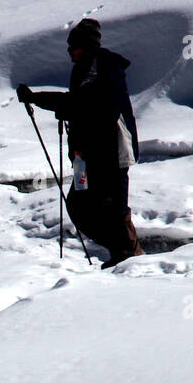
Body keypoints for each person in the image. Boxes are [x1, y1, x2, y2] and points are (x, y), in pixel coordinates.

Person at [17, 18, 144, 267]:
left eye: (73, 46)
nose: (69, 51)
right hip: (84, 156)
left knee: (110, 205)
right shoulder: (83, 69)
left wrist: (44, 101)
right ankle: (122, 253)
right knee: (79, 205)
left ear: (86, 46)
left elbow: (91, 104)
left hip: (110, 151)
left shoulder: (104, 65)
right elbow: (79, 103)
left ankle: (128, 256)